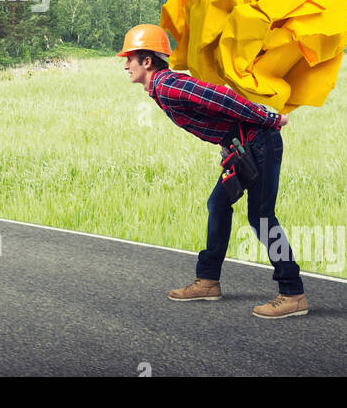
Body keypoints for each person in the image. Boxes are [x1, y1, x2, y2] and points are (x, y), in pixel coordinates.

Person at [118, 23, 308, 319]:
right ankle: (208, 281)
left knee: (261, 217)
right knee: (218, 203)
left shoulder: (168, 85)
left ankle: (293, 293)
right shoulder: (159, 88)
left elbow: (221, 98)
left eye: (129, 58)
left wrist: (270, 119)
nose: (125, 64)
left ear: (147, 61)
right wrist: (228, 147)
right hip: (243, 145)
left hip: (259, 141)